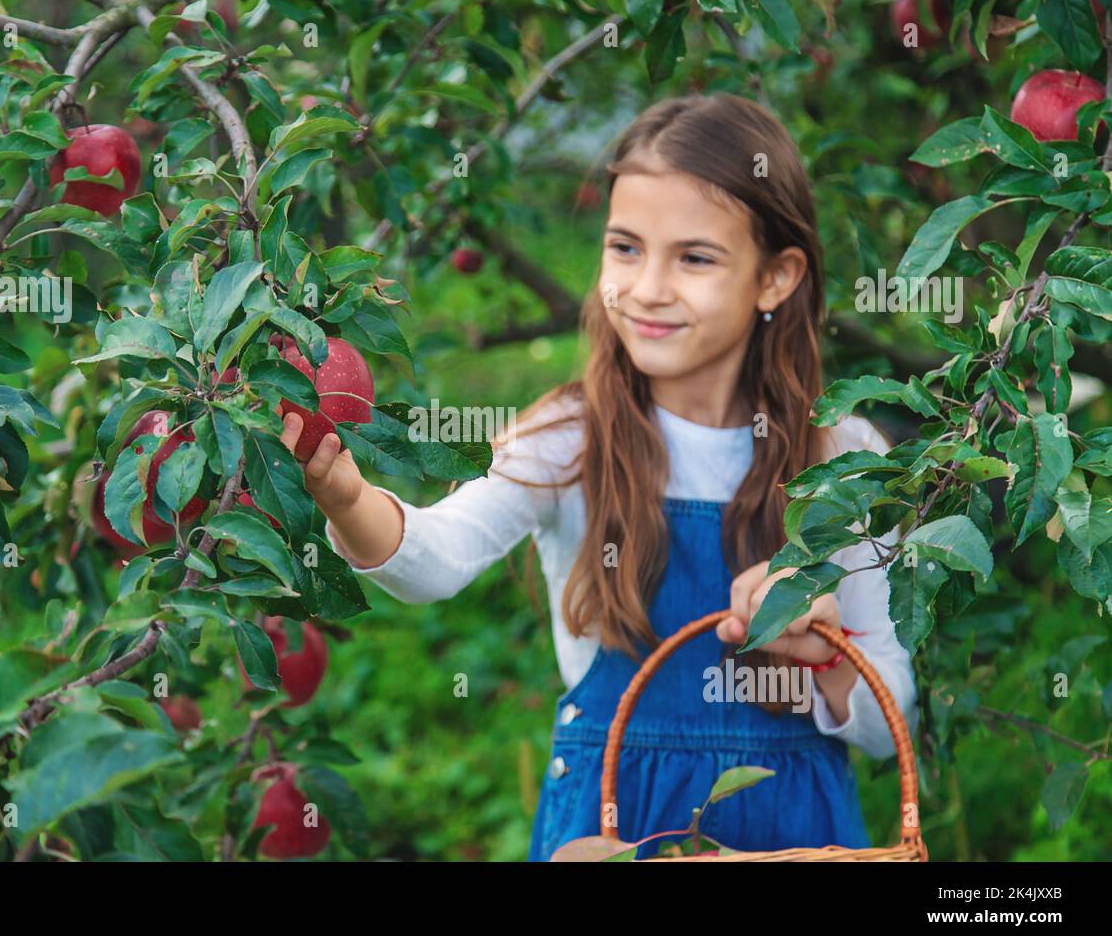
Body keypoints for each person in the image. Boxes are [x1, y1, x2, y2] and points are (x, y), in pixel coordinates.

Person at [276, 93, 920, 861]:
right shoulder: (570, 440)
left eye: (695, 257)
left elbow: (889, 729)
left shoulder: (843, 457)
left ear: (776, 277)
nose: (647, 287)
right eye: (624, 247)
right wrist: (346, 497)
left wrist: (824, 656)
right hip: (615, 828)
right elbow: (438, 560)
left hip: (797, 832)